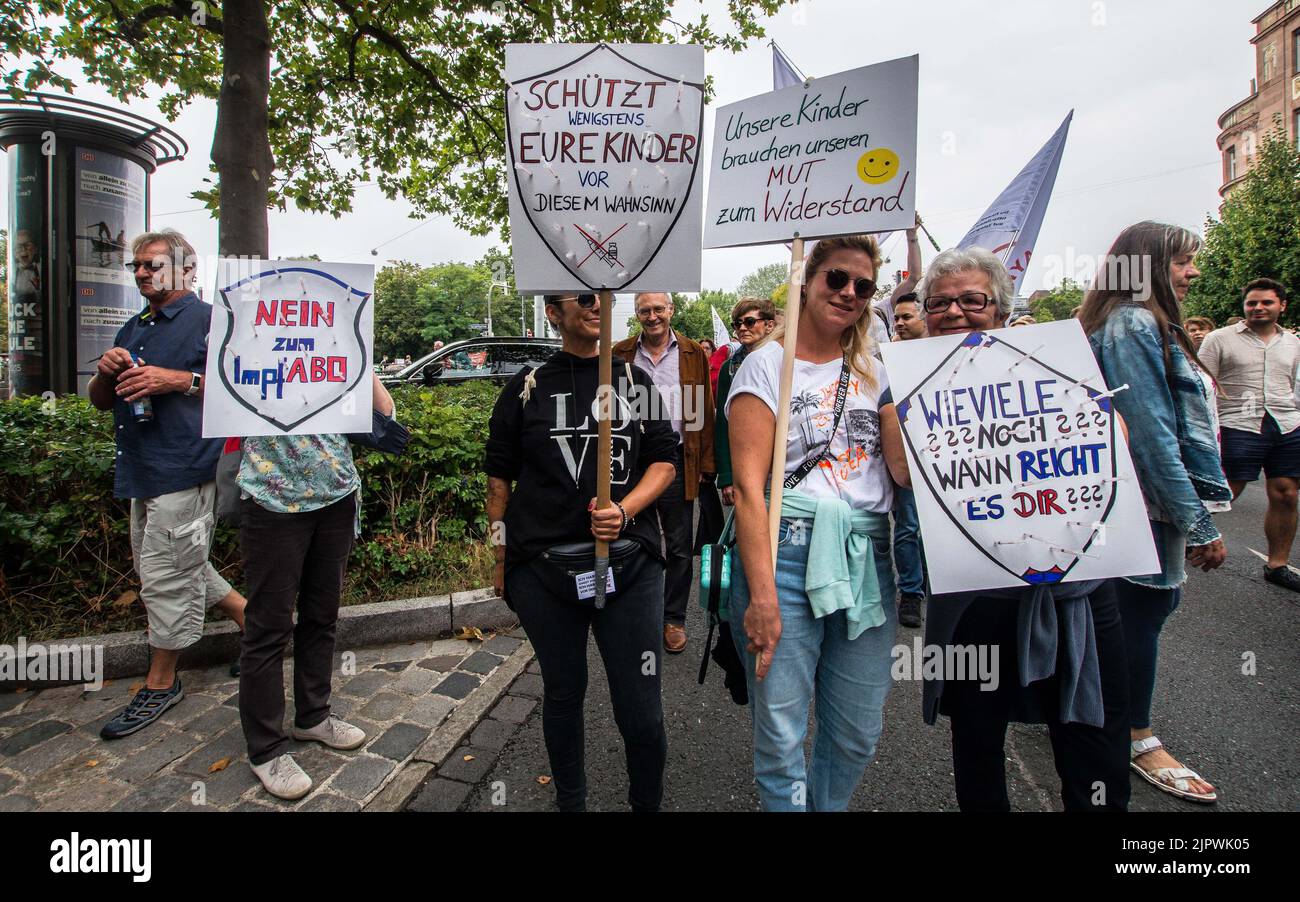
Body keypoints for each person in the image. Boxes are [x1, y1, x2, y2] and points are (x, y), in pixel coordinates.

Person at [895, 247, 1132, 812]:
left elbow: (1113, 440)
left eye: (972, 299)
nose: (955, 311)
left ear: (999, 308)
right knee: (976, 742)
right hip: (976, 599)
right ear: (925, 312)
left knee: (1092, 742)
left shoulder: (1058, 363)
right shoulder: (908, 382)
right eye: (940, 302)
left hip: (1077, 596)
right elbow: (903, 474)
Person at [728, 235, 907, 811]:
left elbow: (903, 474)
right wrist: (761, 597)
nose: (849, 293)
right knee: (781, 739)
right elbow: (750, 493)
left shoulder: (879, 372)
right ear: (805, 282)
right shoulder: (765, 366)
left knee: (857, 732)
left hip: (866, 557)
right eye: (836, 278)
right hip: (784, 556)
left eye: (863, 286)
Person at [485, 292, 677, 811]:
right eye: (586, 299)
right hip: (543, 575)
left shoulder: (634, 383)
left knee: (641, 709)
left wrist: (626, 510)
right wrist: (501, 561)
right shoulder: (525, 389)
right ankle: (572, 802)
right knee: (564, 695)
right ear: (553, 311)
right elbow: (498, 483)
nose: (599, 306)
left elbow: (664, 461)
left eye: (607, 298)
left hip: (630, 569)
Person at [1082, 221, 1231, 804]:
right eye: (1182, 262)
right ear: (1146, 267)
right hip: (1143, 508)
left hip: (1147, 506)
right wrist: (1197, 522)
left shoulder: (1144, 323)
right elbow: (1149, 434)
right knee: (1140, 617)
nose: (1193, 272)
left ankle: (1096, 716)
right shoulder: (1132, 324)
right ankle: (1134, 736)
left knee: (1134, 614)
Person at [88, 229, 247, 740]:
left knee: (163, 576)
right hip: (141, 469)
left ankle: (161, 683)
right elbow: (99, 401)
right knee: (177, 564)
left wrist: (178, 380)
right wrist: (104, 374)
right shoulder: (132, 327)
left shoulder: (213, 321)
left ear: (186, 269)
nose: (139, 273)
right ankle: (257, 622)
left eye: (151, 265)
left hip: (188, 466)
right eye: (136, 265)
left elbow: (243, 385)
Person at [237, 372, 396, 800]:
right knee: (268, 628)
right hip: (272, 500)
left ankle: (312, 716)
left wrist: (358, 353)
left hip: (336, 496)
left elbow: (384, 414)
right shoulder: (248, 338)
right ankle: (266, 749)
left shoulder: (335, 345)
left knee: (321, 616)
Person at [613, 293, 715, 654]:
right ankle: (635, 613)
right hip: (632, 462)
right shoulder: (621, 353)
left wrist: (704, 465)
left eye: (659, 309)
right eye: (645, 310)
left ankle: (673, 618)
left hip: (675, 459)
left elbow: (702, 409)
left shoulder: (691, 352)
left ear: (671, 311)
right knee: (633, 540)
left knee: (678, 546)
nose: (653, 316)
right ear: (637, 314)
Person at [1198, 279, 1300, 591]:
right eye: (1252, 303)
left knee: (1286, 493)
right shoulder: (1219, 339)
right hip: (1238, 422)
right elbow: (1201, 382)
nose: (1257, 308)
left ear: (1281, 305)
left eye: (1266, 303)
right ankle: (1187, 544)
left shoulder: (1293, 343)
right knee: (1225, 491)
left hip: (1285, 423)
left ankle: (1277, 564)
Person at [715, 298, 778, 507]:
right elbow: (723, 425)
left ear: (769, 325)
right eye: (737, 324)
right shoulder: (729, 368)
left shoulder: (786, 361)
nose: (742, 328)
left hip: (781, 463)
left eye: (749, 322)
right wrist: (726, 476)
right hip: (744, 463)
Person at [889, 293, 928, 628]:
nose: (899, 323)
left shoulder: (947, 352)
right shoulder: (890, 359)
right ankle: (911, 593)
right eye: (896, 318)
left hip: (948, 458)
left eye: (907, 317)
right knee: (909, 526)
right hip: (905, 457)